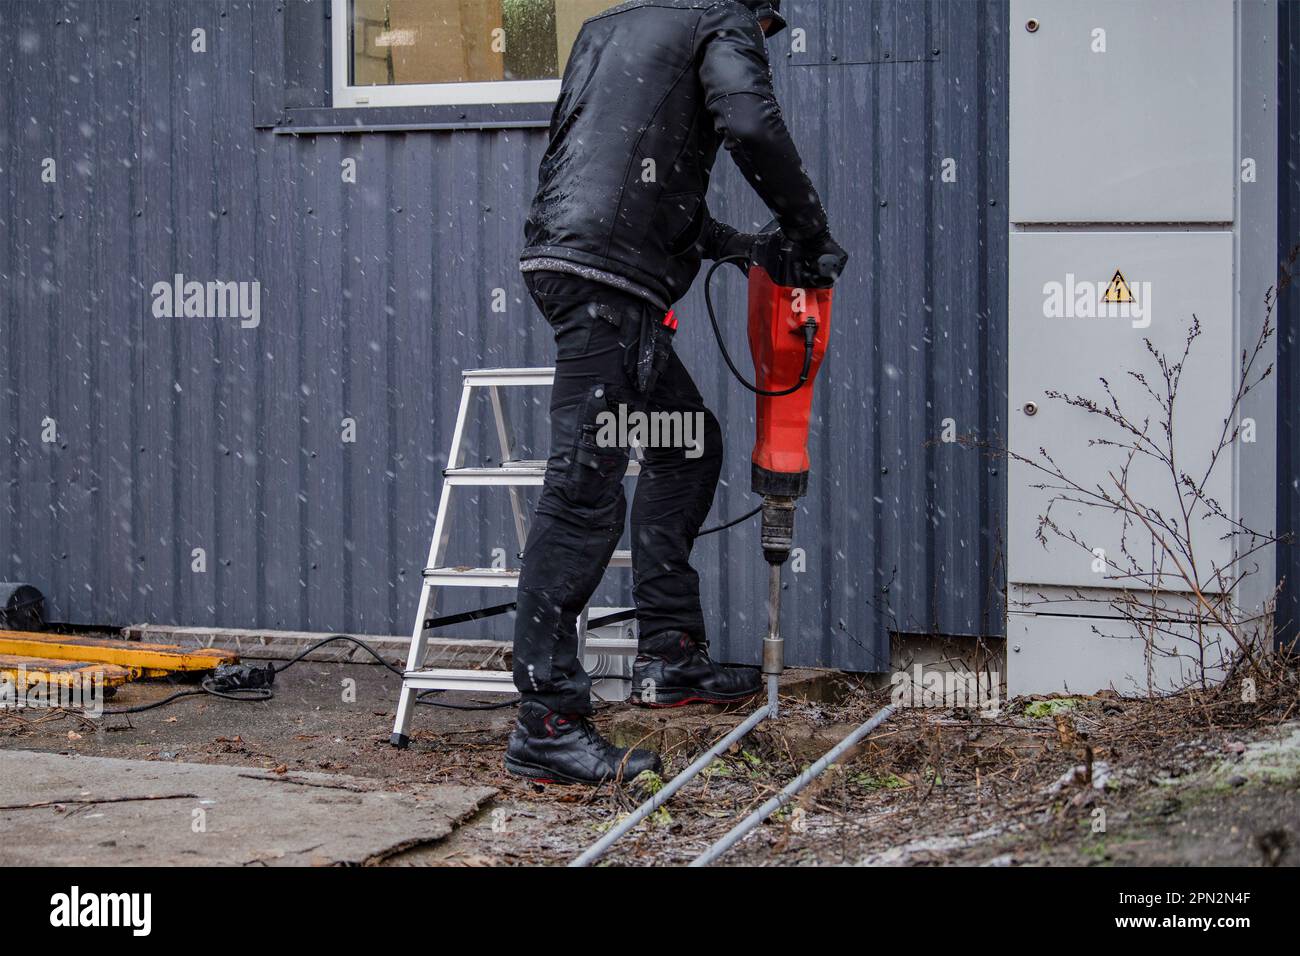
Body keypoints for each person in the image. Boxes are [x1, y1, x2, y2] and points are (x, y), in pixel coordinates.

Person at [505, 0, 847, 785]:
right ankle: (546, 721)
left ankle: (669, 659)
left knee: (687, 445)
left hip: (582, 262)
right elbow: (751, 127)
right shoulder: (717, 19)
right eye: (765, 33)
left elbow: (613, 169)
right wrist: (807, 229)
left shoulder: (607, 31)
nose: (762, 43)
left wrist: (751, 246)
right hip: (607, 282)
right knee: (583, 489)